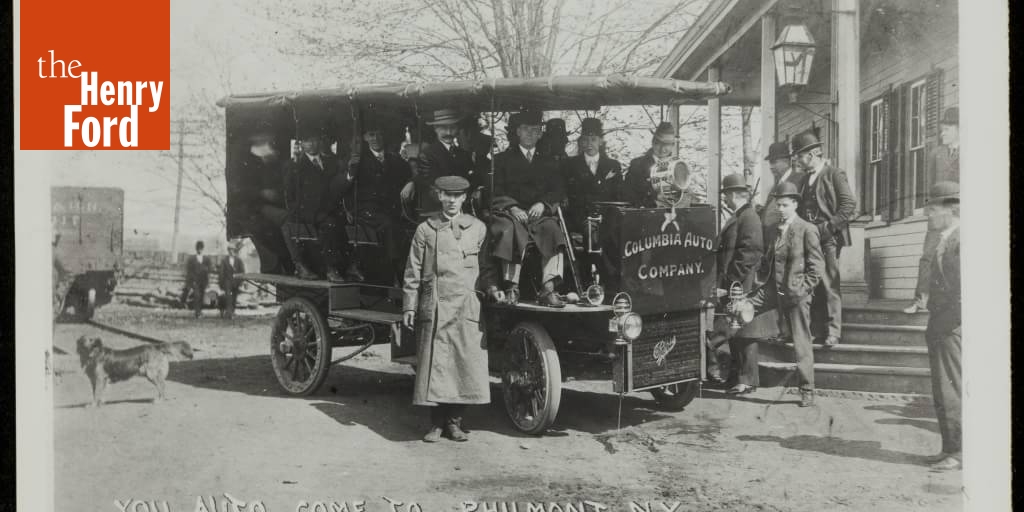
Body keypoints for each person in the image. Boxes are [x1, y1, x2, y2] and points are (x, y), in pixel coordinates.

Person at [402, 176, 502, 443]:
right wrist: (409, 306)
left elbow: (487, 267)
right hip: (435, 305)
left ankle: (455, 422)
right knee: (436, 364)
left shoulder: (478, 228)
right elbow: (412, 271)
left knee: (463, 366)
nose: (451, 201)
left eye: (457, 196)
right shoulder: (426, 229)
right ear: (438, 196)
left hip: (466, 305)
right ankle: (435, 424)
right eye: (446, 195)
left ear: (465, 199)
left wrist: (492, 288)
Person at [741, 182, 824, 407]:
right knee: (741, 310)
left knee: (801, 342)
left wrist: (801, 288)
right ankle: (723, 357)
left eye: (785, 205)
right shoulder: (774, 229)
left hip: (796, 295)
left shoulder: (807, 229)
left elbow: (817, 268)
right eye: (778, 205)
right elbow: (768, 262)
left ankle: (807, 389)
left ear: (795, 204)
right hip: (772, 291)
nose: (780, 209)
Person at [489, 110, 568, 307]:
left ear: (541, 133)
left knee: (552, 229)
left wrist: (543, 204)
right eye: (526, 130)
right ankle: (511, 287)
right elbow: (494, 190)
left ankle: (548, 287)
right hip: (509, 213)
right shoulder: (502, 160)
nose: (531, 134)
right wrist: (512, 207)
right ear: (517, 132)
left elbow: (557, 190)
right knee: (509, 230)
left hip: (537, 214)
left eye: (535, 130)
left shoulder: (548, 162)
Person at [708, 174, 772, 393]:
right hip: (735, 285)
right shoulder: (740, 215)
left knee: (743, 332)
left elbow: (751, 253)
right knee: (736, 333)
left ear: (734, 195)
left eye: (726, 194)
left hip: (741, 286)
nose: (724, 199)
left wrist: (731, 281)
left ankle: (747, 381)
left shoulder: (749, 217)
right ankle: (738, 378)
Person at [792, 130, 856, 346]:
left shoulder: (834, 174)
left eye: (800, 156)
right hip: (808, 237)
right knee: (812, 282)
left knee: (829, 282)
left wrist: (829, 227)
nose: (798, 161)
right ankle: (817, 330)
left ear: (813, 154)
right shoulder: (802, 180)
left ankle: (834, 332)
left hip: (828, 237)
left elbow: (849, 205)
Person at [920, 181, 961, 471]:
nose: (928, 215)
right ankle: (948, 448)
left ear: (951, 209)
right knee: (941, 390)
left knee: (953, 390)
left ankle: (959, 453)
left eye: (933, 210)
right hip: (939, 325)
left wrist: (952, 323)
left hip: (952, 327)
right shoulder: (943, 238)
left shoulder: (963, 240)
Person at [904, 108, 960, 314]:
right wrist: (932, 210)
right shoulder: (936, 154)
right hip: (939, 213)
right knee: (928, 255)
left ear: (958, 129)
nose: (942, 134)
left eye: (946, 129)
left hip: (962, 214)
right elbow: (929, 186)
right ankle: (920, 300)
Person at [281, 125, 353, 281]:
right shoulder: (295, 166)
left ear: (320, 142)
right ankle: (330, 268)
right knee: (329, 225)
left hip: (328, 208)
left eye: (314, 140)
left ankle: (350, 266)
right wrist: (300, 211)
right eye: (308, 141)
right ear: (302, 144)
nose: (312, 144)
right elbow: (290, 194)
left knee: (349, 224)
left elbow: (335, 187)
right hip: (307, 211)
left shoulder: (330, 162)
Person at [346, 119, 413, 282]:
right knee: (389, 225)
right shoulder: (359, 161)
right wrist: (348, 209)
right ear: (365, 138)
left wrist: (412, 182)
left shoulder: (395, 159)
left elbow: (409, 174)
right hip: (365, 210)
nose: (376, 138)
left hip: (390, 209)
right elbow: (347, 187)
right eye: (371, 135)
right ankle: (397, 270)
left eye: (379, 134)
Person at [560, 118, 622, 285]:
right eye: (585, 139)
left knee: (611, 235)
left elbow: (617, 195)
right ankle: (589, 282)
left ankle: (611, 281)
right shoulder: (570, 165)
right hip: (580, 215)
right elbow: (571, 195)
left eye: (593, 139)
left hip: (607, 216)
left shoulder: (613, 165)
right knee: (591, 234)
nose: (589, 143)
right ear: (581, 141)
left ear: (601, 141)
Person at [235, 127, 292, 275]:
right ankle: (291, 263)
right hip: (253, 207)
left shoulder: (272, 159)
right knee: (285, 219)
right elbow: (240, 189)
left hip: (271, 204)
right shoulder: (246, 161)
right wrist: (262, 193)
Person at [413, 109, 475, 216]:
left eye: (453, 128)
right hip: (437, 211)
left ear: (458, 129)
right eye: (444, 128)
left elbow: (472, 181)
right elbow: (431, 188)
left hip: (463, 209)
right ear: (435, 128)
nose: (449, 133)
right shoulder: (426, 155)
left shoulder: (464, 155)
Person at [621, 122, 696, 208]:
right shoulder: (637, 164)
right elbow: (627, 195)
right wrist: (653, 200)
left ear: (672, 145)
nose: (662, 149)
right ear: (653, 142)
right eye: (659, 143)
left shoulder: (678, 166)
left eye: (667, 144)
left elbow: (686, 194)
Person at [759, 141, 805, 233]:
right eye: (770, 163)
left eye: (774, 162)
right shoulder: (776, 185)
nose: (771, 167)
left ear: (787, 161)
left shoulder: (799, 180)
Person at [183, 241, 212, 318]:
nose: (200, 250)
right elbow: (189, 271)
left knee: (201, 296)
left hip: (203, 281)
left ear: (203, 249)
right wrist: (190, 281)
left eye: (201, 249)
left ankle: (200, 311)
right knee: (197, 296)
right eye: (198, 249)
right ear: (196, 249)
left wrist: (206, 273)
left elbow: (209, 270)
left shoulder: (206, 259)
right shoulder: (192, 259)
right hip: (195, 281)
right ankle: (197, 312)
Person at [218, 245, 246, 319]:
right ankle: (229, 313)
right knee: (228, 297)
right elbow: (221, 273)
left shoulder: (239, 260)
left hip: (236, 282)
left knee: (234, 297)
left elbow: (242, 271)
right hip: (227, 282)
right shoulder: (224, 260)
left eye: (233, 250)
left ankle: (232, 312)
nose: (231, 251)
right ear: (228, 251)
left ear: (235, 251)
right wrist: (221, 284)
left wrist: (241, 282)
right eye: (230, 250)